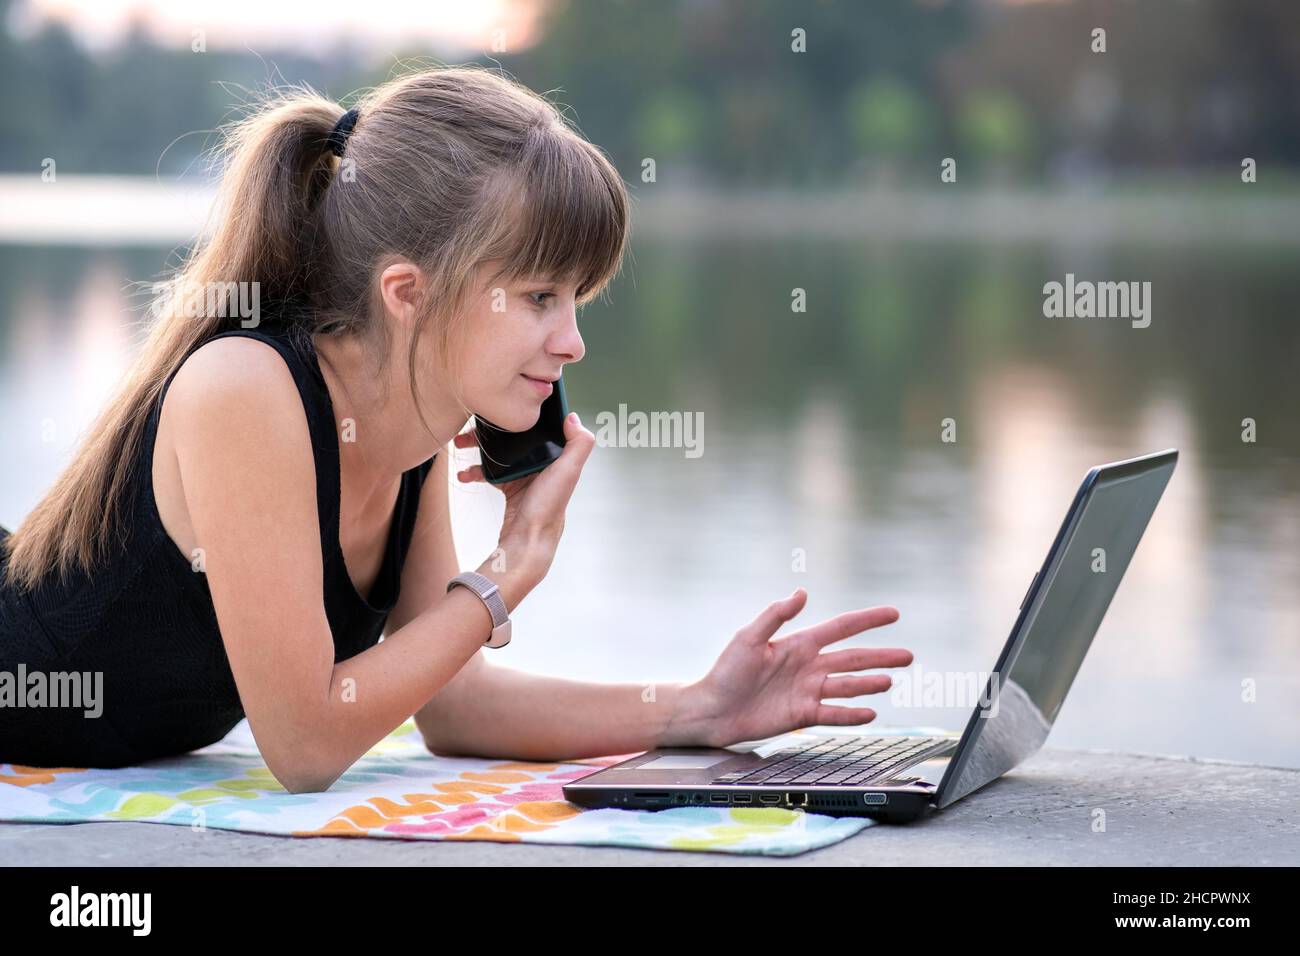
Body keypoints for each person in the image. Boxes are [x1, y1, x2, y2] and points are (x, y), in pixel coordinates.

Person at [0, 66, 911, 792]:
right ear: (408, 294)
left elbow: (453, 703)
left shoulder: (409, 433)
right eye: (543, 297)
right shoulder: (246, 389)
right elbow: (308, 744)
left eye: (578, 299)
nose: (574, 341)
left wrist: (699, 707)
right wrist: (505, 573)